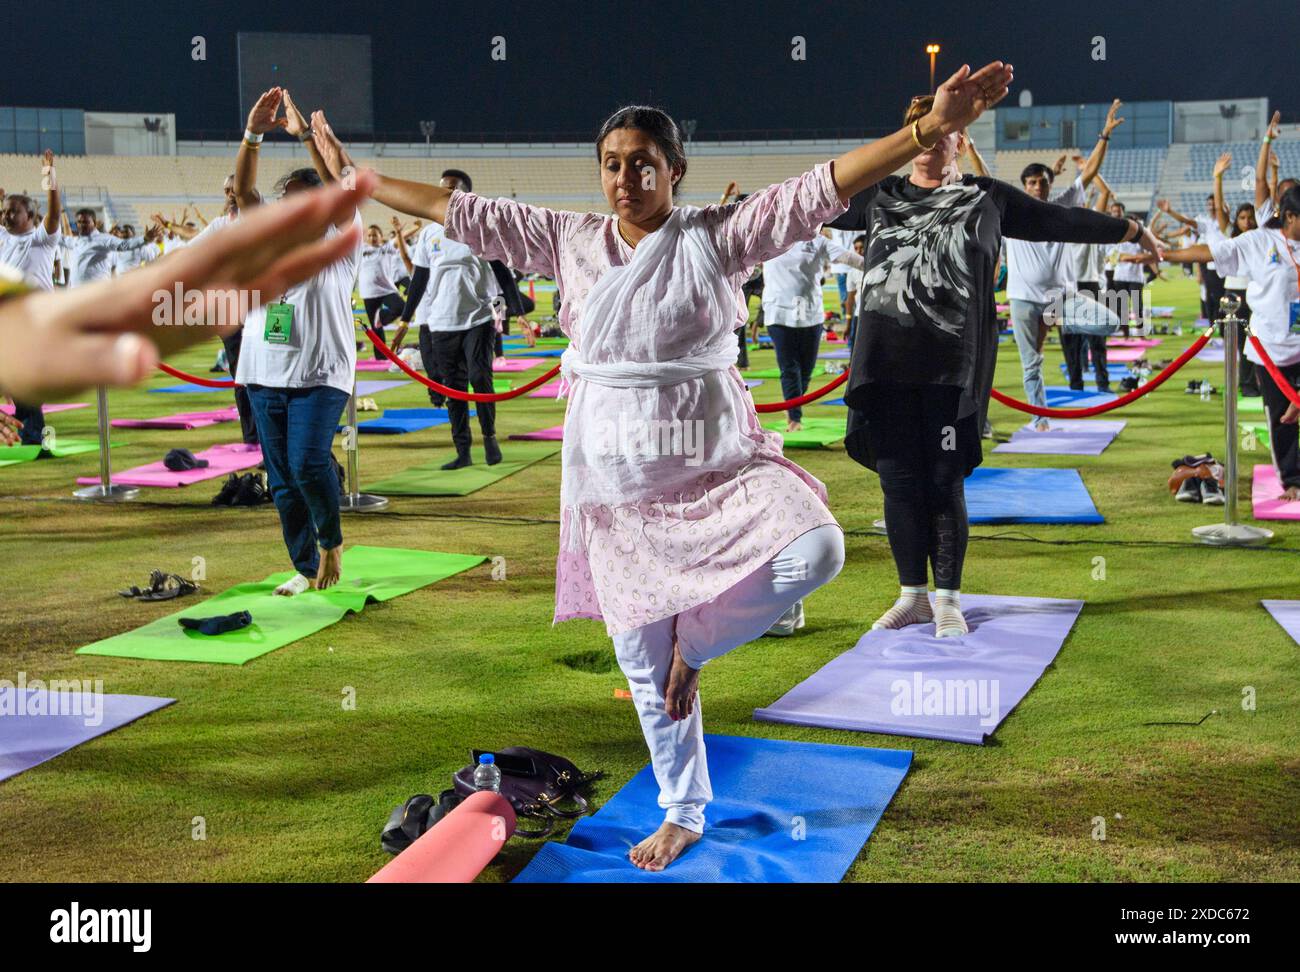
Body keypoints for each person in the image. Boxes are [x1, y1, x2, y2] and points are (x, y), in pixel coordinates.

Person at [311, 60, 1015, 871]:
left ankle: (700, 642)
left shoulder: (719, 236)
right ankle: (683, 809)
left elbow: (820, 186)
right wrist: (358, 178)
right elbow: (456, 209)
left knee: (817, 549)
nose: (625, 178)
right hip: (616, 489)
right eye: (612, 163)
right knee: (644, 668)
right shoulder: (568, 239)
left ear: (675, 170)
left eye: (643, 162)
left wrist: (926, 131)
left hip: (718, 465)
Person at [828, 94, 1157, 639]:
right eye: (920, 132)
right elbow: (799, 204)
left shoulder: (987, 198)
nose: (933, 143)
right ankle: (912, 595)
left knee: (944, 479)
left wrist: (1130, 231)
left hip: (952, 371)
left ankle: (950, 597)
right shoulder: (878, 196)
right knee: (898, 483)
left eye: (943, 133)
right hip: (884, 369)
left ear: (961, 139)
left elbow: (1060, 220)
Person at [0, 171, 375, 402]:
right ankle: (255, 438)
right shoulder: (222, 222)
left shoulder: (48, 238)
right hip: (246, 319)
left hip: (271, 326)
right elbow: (195, 244)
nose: (229, 194)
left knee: (302, 452)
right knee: (245, 379)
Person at [232, 86, 362, 596]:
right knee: (282, 480)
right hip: (262, 374)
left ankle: (331, 541)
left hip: (321, 374)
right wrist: (252, 136)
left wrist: (307, 138)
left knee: (309, 463)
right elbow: (244, 194)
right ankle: (305, 567)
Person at [1151, 187, 1300, 499]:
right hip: (1271, 349)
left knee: (1293, 409)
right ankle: (1292, 481)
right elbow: (1211, 252)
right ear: (1289, 217)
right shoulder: (1260, 241)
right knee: (1281, 418)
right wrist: (1164, 254)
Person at [400, 168, 504, 468]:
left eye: (453, 190)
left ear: (467, 195)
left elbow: (501, 280)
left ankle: (489, 437)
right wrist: (407, 320)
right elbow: (419, 280)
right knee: (453, 388)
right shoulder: (429, 233)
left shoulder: (483, 231)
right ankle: (463, 451)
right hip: (441, 323)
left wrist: (511, 319)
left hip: (478, 318)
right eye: (443, 189)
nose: (446, 195)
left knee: (480, 378)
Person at [761, 229, 862, 431]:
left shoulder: (818, 240)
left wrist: (877, 264)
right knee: (789, 368)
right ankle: (794, 418)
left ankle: (791, 403)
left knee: (806, 371)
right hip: (778, 312)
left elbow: (847, 257)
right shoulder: (767, 237)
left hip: (811, 314)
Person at [0, 150, 63, 444]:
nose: (8, 215)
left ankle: (34, 433)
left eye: (14, 210)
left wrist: (49, 178)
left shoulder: (42, 238)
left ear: (30, 216)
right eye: (5, 210)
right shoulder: (3, 237)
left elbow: (52, 214)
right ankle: (28, 429)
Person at [1213, 154, 1260, 395]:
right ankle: (1245, 384)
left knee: (1255, 339)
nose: (1247, 220)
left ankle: (1252, 382)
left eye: (1250, 216)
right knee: (1240, 342)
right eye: (1242, 217)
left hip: (1254, 291)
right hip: (1234, 292)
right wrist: (1218, 178)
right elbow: (1220, 211)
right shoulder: (1231, 237)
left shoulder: (1260, 237)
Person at [358, 222, 405, 357]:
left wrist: (401, 231)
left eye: (375, 235)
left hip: (386, 290)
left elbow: (399, 239)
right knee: (376, 329)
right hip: (368, 293)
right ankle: (381, 357)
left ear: (381, 236)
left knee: (402, 307)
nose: (372, 238)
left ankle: (382, 318)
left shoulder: (387, 247)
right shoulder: (361, 249)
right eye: (370, 235)